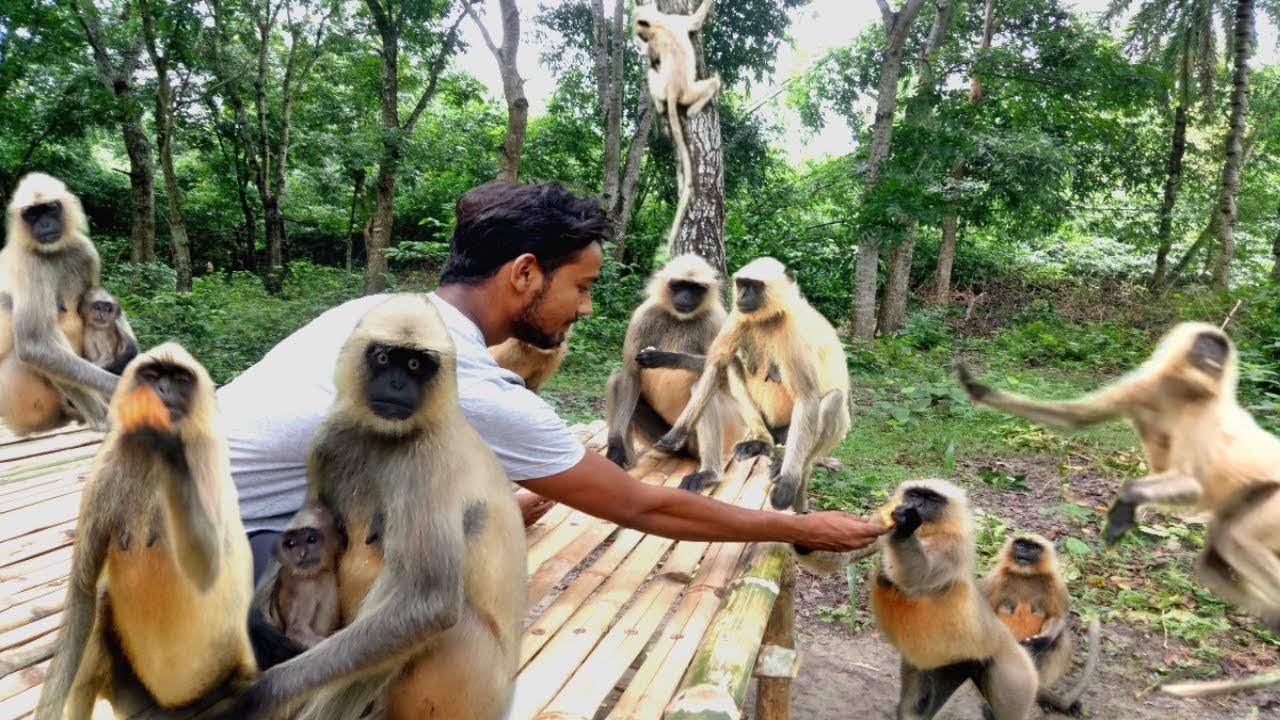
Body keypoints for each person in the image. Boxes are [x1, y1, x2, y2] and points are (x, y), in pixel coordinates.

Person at [218, 181, 888, 580]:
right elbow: (642, 506)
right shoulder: (460, 380)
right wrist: (798, 527)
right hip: (213, 562)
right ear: (524, 274)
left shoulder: (371, 312)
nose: (588, 308)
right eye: (582, 287)